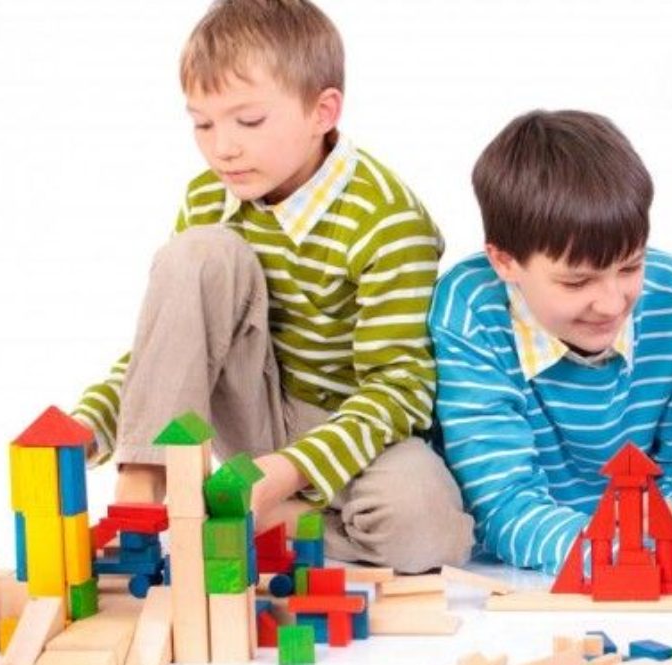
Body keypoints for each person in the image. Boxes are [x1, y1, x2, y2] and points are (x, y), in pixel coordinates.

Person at [71, 0, 473, 573]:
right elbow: (171, 343)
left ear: (323, 111)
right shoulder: (208, 198)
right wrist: (93, 421)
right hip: (247, 412)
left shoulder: (387, 219)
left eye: (248, 121)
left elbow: (400, 388)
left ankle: (265, 517)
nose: (222, 148)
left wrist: (290, 469)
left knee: (424, 527)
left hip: (342, 427)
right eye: (202, 124)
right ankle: (148, 479)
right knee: (199, 253)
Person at [429, 109, 672, 589]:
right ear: (505, 261)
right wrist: (643, 556)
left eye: (630, 267)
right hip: (542, 564)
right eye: (577, 280)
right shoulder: (470, 311)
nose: (612, 303)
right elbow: (502, 501)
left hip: (635, 550)